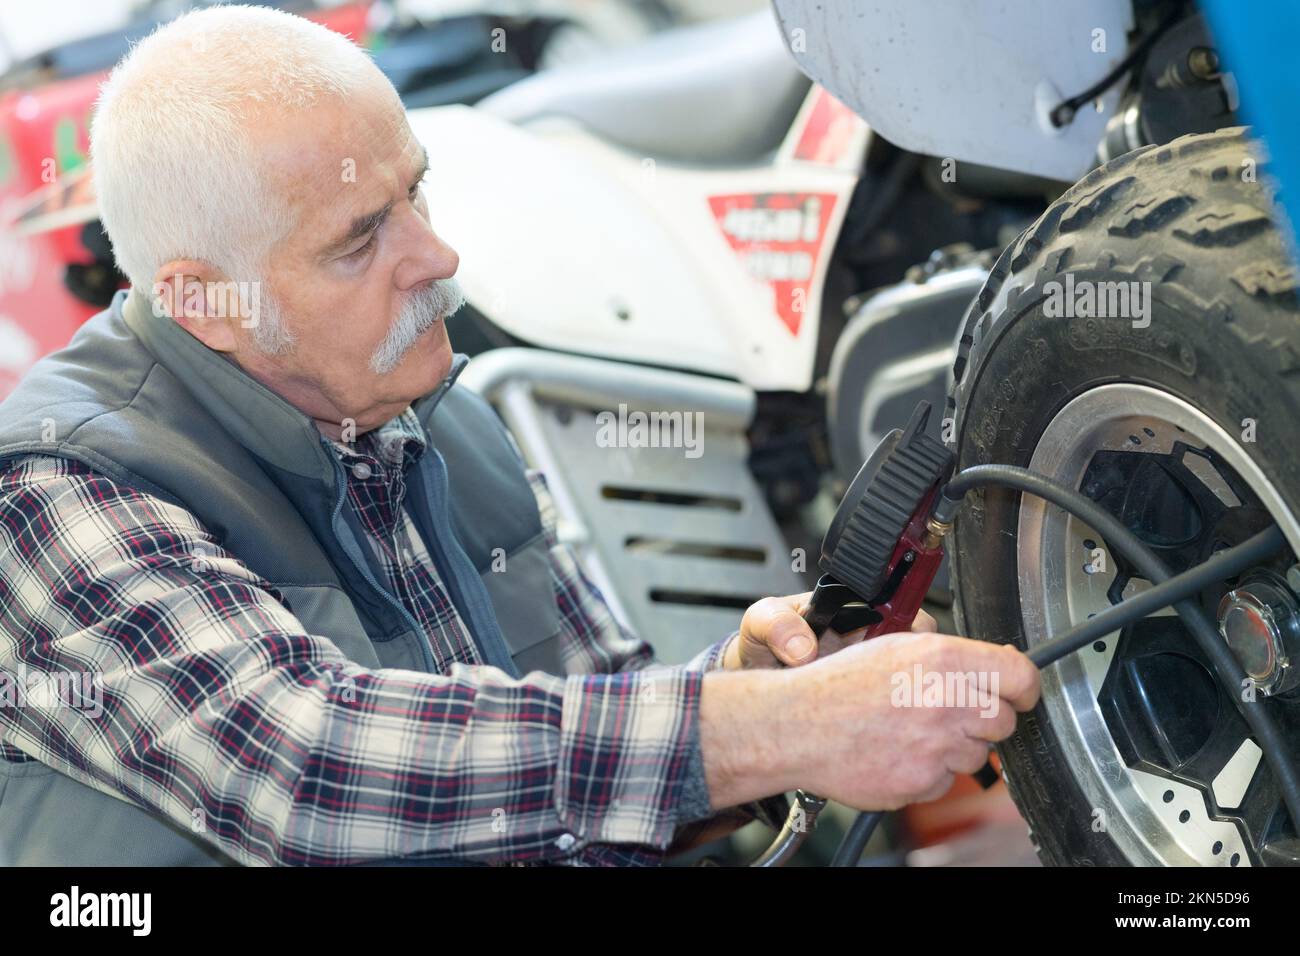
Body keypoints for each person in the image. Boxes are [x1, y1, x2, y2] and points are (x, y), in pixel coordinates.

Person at [0, 5, 1039, 866]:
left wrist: (747, 687)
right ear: (204, 302)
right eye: (361, 239)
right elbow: (311, 768)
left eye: (415, 191)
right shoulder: (59, 488)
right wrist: (781, 729)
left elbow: (580, 755)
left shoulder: (443, 419)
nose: (439, 256)